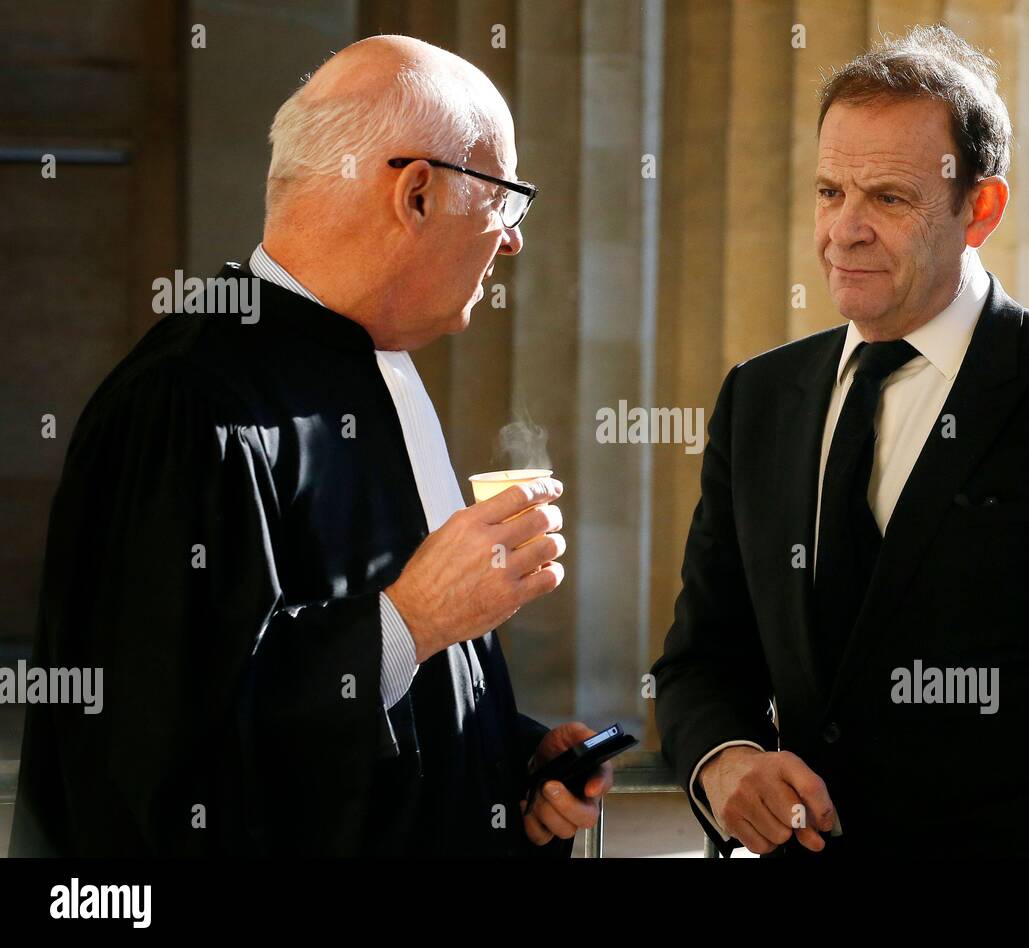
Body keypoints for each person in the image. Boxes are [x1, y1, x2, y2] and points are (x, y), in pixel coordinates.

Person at [12, 35, 610, 857]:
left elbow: (361, 706)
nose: (511, 240)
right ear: (418, 195)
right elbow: (152, 757)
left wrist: (505, 756)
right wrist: (413, 617)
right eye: (504, 199)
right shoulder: (188, 402)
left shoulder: (369, 364)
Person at [650, 24, 1029, 858]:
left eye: (888, 198)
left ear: (980, 208)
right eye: (828, 193)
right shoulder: (760, 397)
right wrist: (726, 759)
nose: (843, 231)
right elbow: (701, 659)